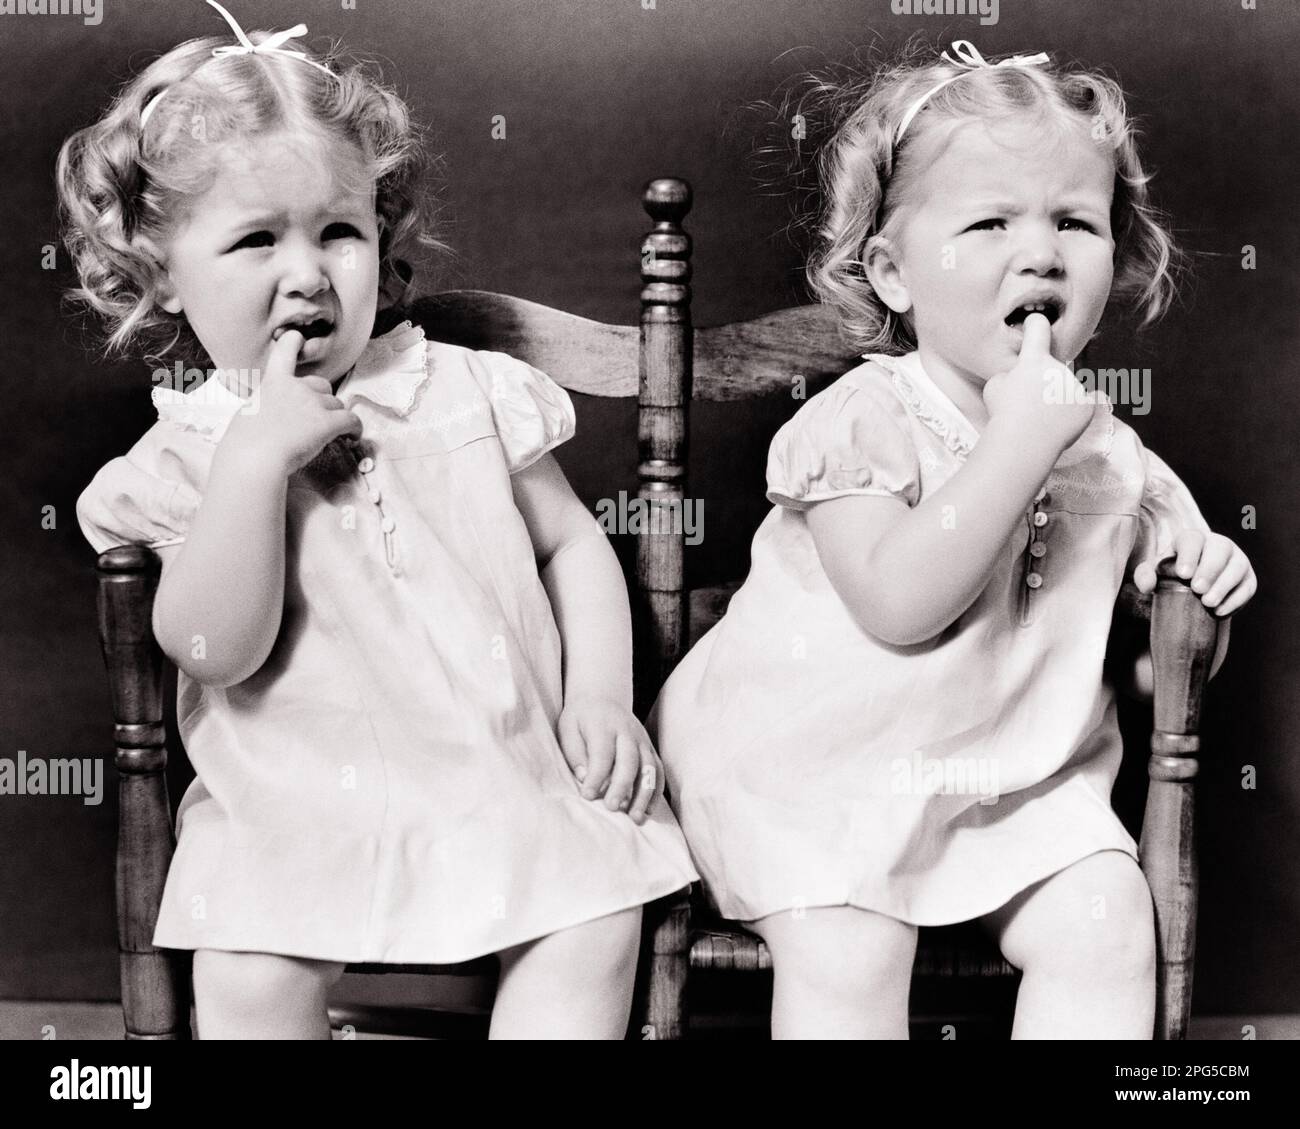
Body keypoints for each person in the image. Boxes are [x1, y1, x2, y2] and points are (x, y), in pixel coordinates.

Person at [65, 0, 697, 1039]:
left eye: (340, 232)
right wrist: (255, 462)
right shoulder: (185, 455)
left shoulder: (461, 392)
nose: (308, 274)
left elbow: (574, 543)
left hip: (501, 771)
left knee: (590, 923)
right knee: (246, 973)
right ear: (164, 269)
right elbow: (213, 650)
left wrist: (598, 696)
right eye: (257, 239)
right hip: (290, 805)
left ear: (382, 235)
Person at [649, 40, 1255, 1039]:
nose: (1040, 252)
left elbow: (1163, 657)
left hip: (1012, 785)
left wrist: (1198, 578)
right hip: (815, 772)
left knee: (1107, 921)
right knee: (851, 948)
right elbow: (898, 606)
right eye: (989, 222)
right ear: (892, 273)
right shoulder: (864, 421)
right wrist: (1015, 446)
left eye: (1074, 221)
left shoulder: (1113, 458)